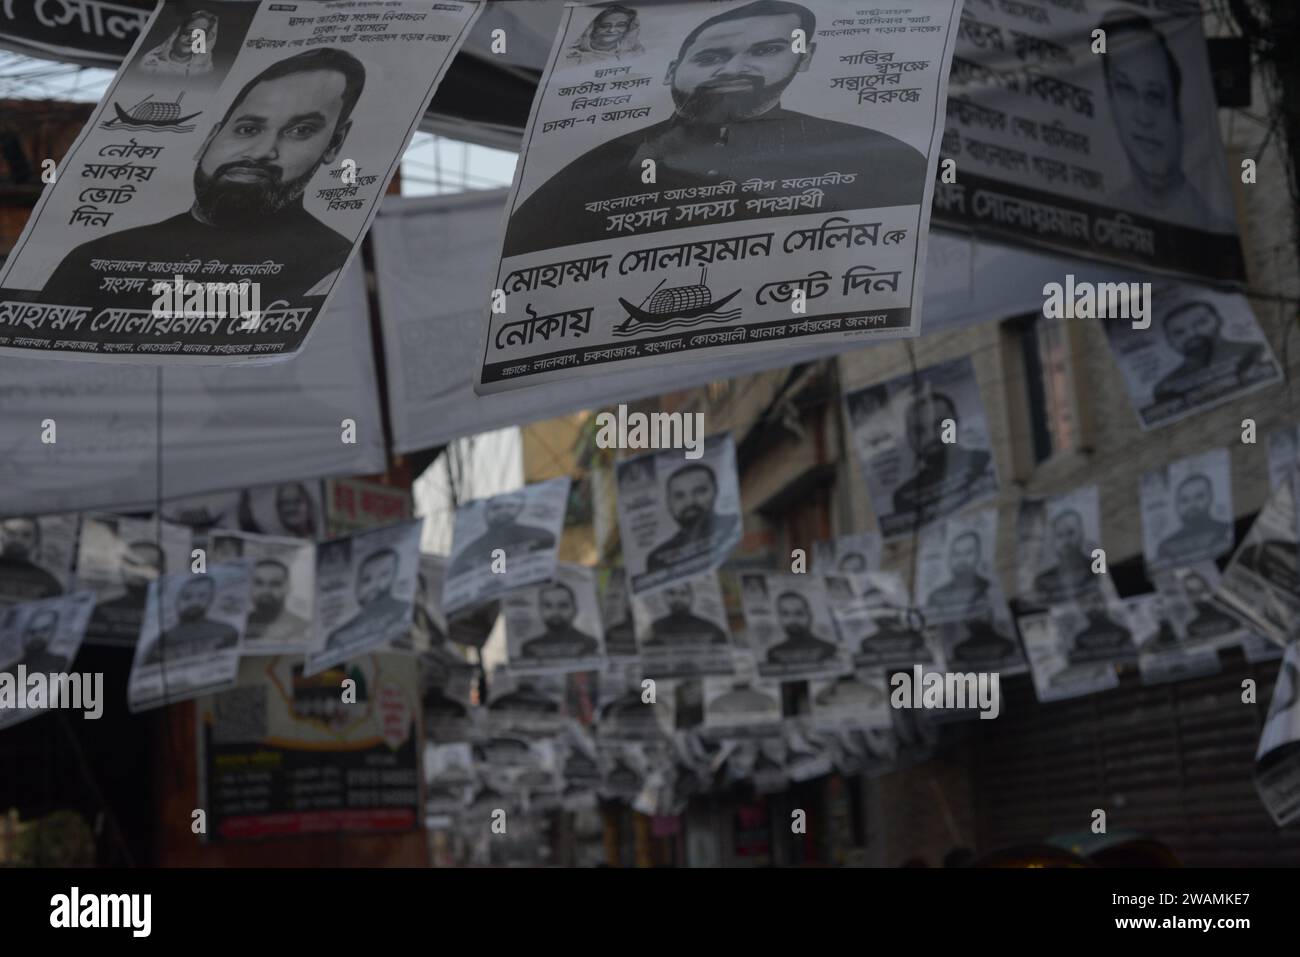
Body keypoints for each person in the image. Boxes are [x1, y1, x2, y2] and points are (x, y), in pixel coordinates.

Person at [502, 0, 929, 256]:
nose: (732, 69)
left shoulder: (874, 156)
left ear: (804, 58)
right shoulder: (593, 169)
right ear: (673, 70)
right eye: (709, 58)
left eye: (766, 50)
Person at [44, 48, 365, 309]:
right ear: (210, 138)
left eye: (300, 131)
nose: (262, 151)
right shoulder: (98, 257)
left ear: (334, 144)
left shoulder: (336, 269)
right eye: (248, 129)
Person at [1100, 11, 1235, 232]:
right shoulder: (1104, 222)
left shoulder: (1217, 230)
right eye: (1125, 89)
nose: (1143, 118)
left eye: (1154, 95)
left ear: (1178, 111)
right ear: (1110, 100)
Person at [892, 393, 994, 518]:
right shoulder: (903, 496)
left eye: (941, 424)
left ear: (956, 422)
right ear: (909, 437)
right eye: (919, 430)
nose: (931, 437)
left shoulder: (988, 462)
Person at [1151, 301, 1269, 405]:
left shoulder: (1256, 350)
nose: (1192, 334)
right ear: (1170, 342)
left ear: (1219, 320)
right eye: (1179, 332)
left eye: (1201, 323)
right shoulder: (1165, 388)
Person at [646, 463, 739, 572]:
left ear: (716, 490)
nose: (690, 502)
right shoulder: (657, 558)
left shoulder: (737, 526)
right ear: (668, 502)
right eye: (679, 496)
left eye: (700, 491)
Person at [449, 491, 556, 579]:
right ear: (486, 513)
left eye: (510, 506)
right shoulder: (470, 551)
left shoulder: (541, 535)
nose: (504, 511)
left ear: (519, 509)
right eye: (497, 508)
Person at [325, 548, 412, 651]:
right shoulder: (338, 637)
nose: (374, 585)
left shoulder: (407, 613)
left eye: (384, 575)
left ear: (395, 576)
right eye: (367, 580)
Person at [144, 574, 238, 664]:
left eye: (202, 596)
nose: (194, 602)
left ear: (210, 598)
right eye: (187, 597)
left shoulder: (227, 632)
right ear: (176, 600)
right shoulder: (160, 642)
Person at [88, 540, 163, 643]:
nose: (142, 573)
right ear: (122, 570)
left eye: (151, 566)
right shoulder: (101, 612)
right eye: (134, 565)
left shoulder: (178, 610)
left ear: (163, 570)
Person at [1155, 472, 1233, 565]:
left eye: (1199, 497)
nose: (1191, 505)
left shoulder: (1227, 530)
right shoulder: (1166, 546)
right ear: (1177, 505)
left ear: (1210, 497)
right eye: (1184, 500)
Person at [1032, 509, 1099, 605]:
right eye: (1059, 536)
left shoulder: (1096, 569)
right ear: (1053, 541)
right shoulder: (1043, 582)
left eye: (1071, 533)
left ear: (1081, 534)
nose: (1066, 541)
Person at [520, 581, 600, 660]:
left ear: (575, 609)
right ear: (540, 609)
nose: (555, 612)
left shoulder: (590, 644)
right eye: (548, 605)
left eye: (563, 605)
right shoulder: (529, 648)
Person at [926, 531, 991, 619]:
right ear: (950, 558)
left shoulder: (990, 589)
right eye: (956, 554)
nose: (961, 560)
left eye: (968, 553)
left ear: (978, 555)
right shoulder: (935, 596)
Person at [244, 558, 308, 647]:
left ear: (287, 588)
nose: (266, 591)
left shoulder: (303, 628)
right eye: (258, 583)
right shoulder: (240, 624)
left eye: (275, 584)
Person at [140, 9, 219, 77]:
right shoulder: (151, 63)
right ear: (176, 33)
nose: (191, 39)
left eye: (199, 35)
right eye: (187, 32)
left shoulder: (204, 69)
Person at [645, 581, 728, 647]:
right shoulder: (655, 627)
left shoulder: (710, 628)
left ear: (691, 596)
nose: (678, 599)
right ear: (664, 596)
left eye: (683, 593)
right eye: (672, 593)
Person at [0, 517, 63, 602]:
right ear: (1, 535)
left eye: (26, 535)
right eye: (11, 533)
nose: (18, 540)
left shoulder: (48, 583)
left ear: (36, 540)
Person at [765, 591, 837, 664]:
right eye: (785, 614)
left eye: (799, 613)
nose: (792, 619)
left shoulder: (829, 649)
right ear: (779, 618)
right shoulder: (773, 653)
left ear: (809, 616)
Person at [565, 4, 644, 66]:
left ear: (628, 28)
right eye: (605, 26)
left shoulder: (635, 51)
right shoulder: (574, 55)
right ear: (592, 27)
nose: (612, 30)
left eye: (621, 25)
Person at [1066, 592, 1135, 664]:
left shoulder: (1123, 632)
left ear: (1105, 603)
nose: (1092, 607)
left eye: (1096, 601)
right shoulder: (1079, 638)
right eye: (1085, 603)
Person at [1178, 570, 1241, 644]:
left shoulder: (1232, 616)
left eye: (1200, 589)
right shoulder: (1191, 628)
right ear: (1188, 597)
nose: (1199, 596)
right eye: (1191, 592)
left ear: (1208, 589)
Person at [14, 608, 67, 674]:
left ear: (53, 631)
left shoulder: (60, 663)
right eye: (32, 632)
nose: (37, 636)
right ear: (24, 634)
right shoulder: (11, 671)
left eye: (44, 630)